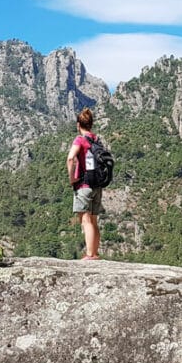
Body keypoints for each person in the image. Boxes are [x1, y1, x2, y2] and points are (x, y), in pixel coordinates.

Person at [67, 107, 102, 260]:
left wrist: (72, 178)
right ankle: (94, 254)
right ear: (91, 124)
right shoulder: (96, 139)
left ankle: (89, 254)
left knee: (85, 221)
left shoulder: (80, 139)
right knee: (94, 221)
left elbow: (70, 158)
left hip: (83, 185)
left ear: (78, 124)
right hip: (97, 185)